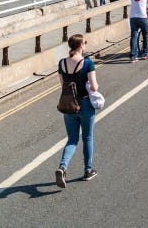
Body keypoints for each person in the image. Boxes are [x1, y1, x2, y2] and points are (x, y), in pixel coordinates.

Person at [55, 34, 98, 188]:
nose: (86, 44)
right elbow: (94, 87)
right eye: (85, 42)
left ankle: (63, 167)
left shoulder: (62, 64)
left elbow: (63, 86)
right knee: (87, 137)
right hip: (85, 104)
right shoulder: (87, 63)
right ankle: (87, 171)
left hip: (69, 105)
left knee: (72, 139)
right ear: (81, 45)